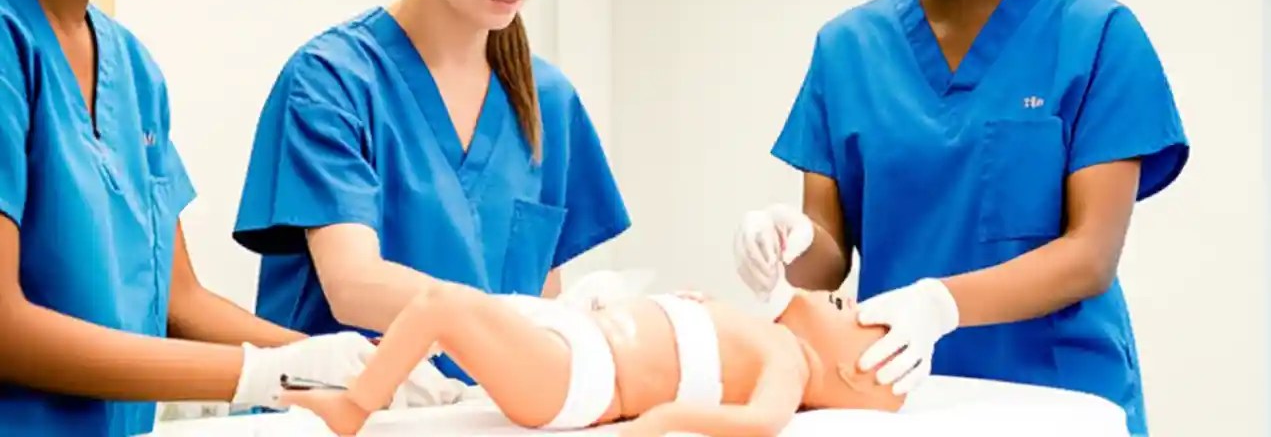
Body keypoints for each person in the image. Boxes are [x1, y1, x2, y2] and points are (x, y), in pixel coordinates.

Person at [0, 0, 452, 437]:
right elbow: (5, 328)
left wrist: (340, 360)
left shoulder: (133, 71)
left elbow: (177, 299)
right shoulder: (6, 48)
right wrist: (256, 374)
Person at [732, 0, 1187, 437]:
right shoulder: (847, 48)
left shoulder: (1095, 37)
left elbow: (1091, 255)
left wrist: (942, 302)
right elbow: (829, 257)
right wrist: (784, 244)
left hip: (1060, 401)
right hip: (897, 401)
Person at [231, 0, 632, 384]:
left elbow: (544, 294)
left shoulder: (548, 101)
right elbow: (355, 287)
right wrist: (519, 323)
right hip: (350, 416)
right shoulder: (334, 81)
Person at [276, 272, 905, 437]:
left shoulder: (790, 364)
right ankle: (373, 379)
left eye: (847, 310)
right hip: (576, 341)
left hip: (583, 378)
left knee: (443, 306)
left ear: (855, 369)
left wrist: (664, 421)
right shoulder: (765, 333)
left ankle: (357, 406)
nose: (835, 297)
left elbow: (760, 423)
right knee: (452, 318)